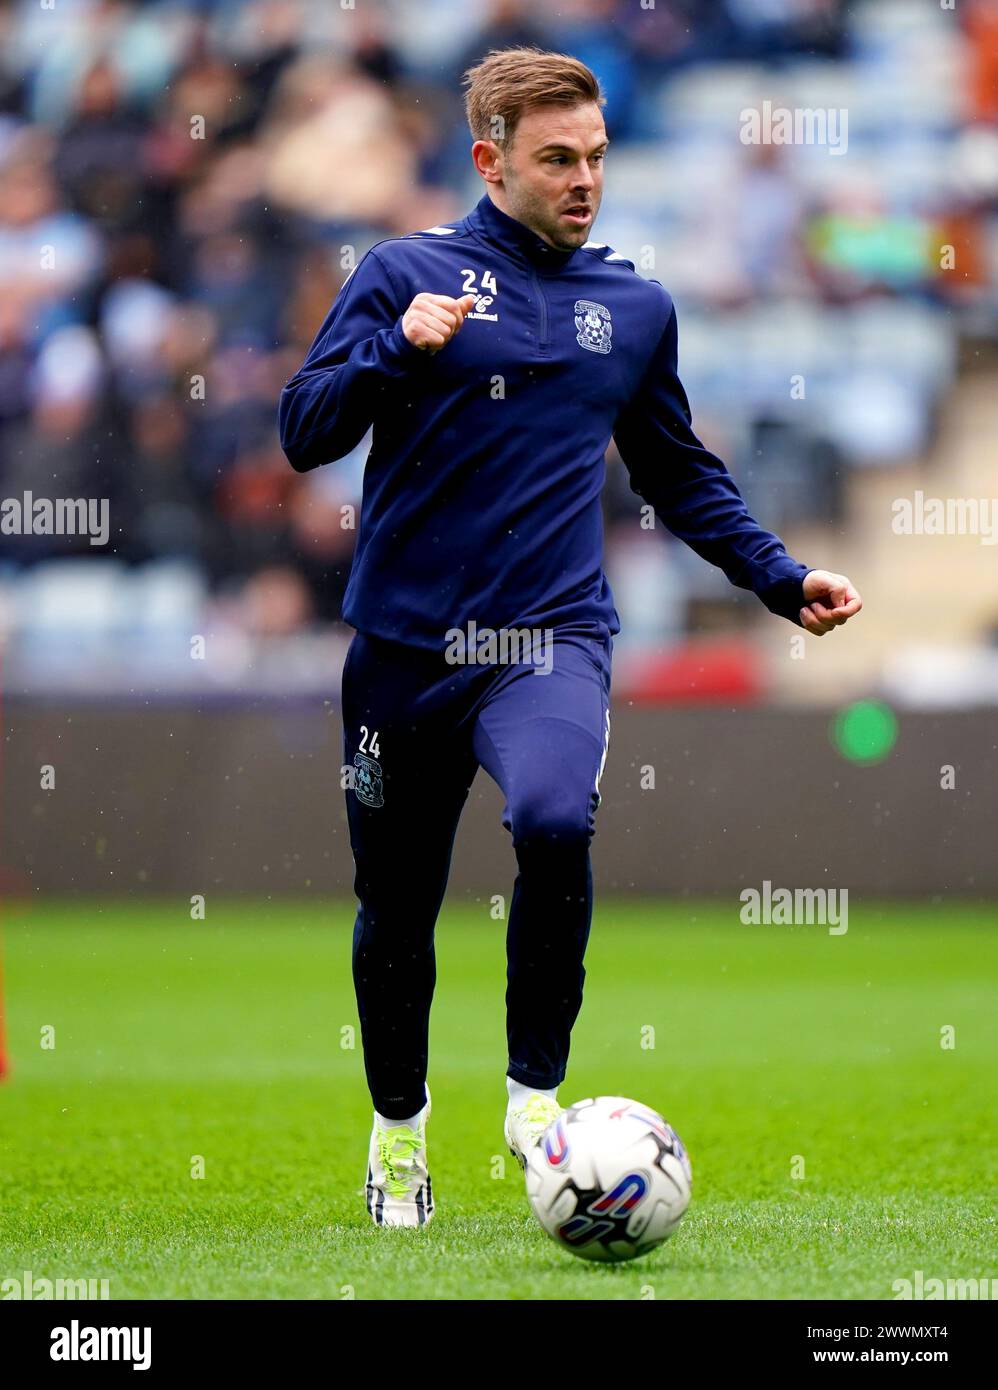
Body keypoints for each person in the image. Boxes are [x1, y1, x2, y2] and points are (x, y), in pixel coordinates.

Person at [277, 46, 862, 1228]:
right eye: (557, 159)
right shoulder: (403, 273)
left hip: (549, 639)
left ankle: (537, 1099)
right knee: (395, 906)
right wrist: (395, 351)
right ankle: (398, 1135)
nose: (584, 178)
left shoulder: (633, 307)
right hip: (401, 653)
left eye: (594, 156)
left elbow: (678, 472)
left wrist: (776, 574)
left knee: (552, 817)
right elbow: (301, 428)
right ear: (489, 161)